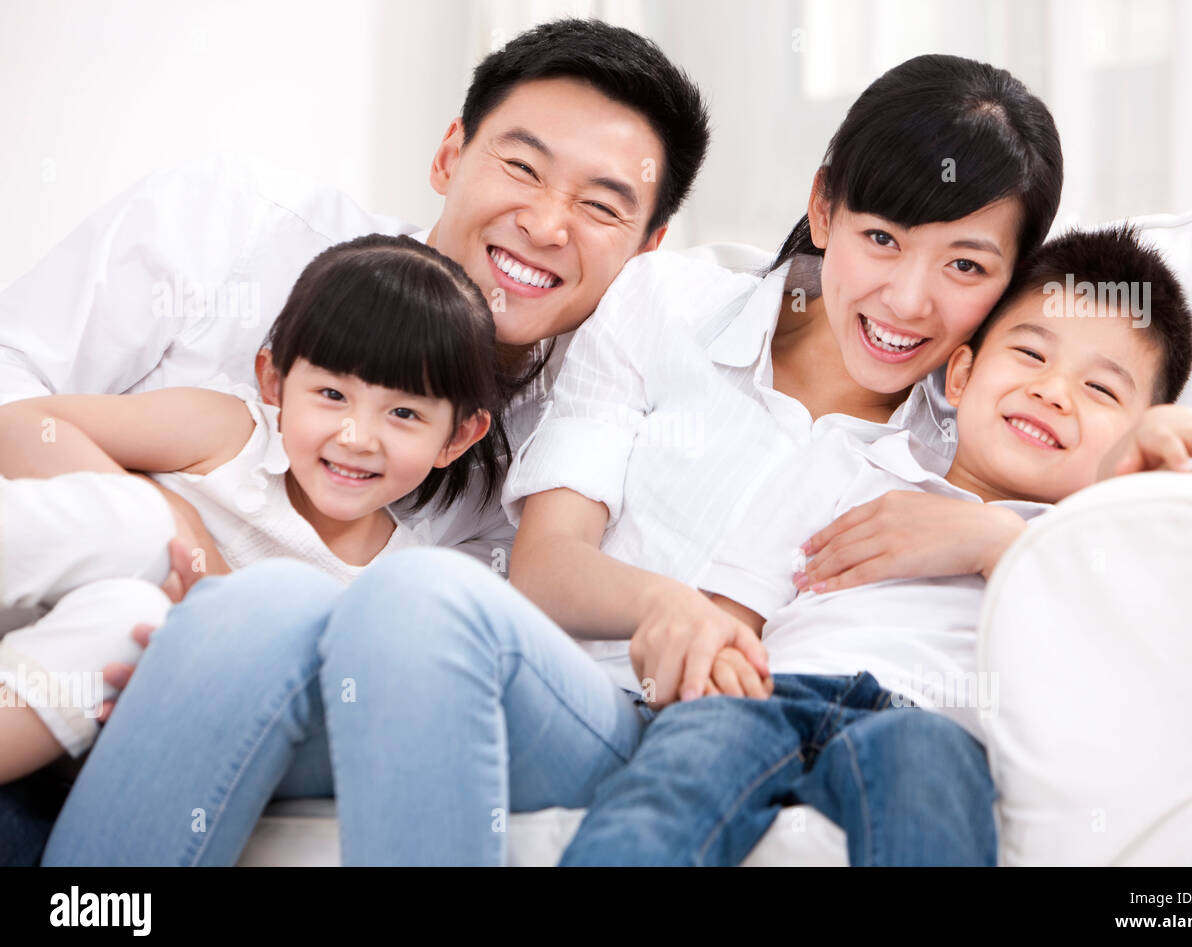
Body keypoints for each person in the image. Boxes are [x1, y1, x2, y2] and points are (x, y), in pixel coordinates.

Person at [43, 54, 1074, 866]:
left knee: (418, 600)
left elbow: (1143, 488)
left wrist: (1008, 525)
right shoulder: (664, 306)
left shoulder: (986, 426)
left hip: (699, 739)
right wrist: (670, 603)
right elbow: (544, 565)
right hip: (572, 692)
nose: (907, 301)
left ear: (1011, 278)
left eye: (967, 267)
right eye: (884, 239)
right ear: (822, 208)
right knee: (243, 611)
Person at [1, 16, 710, 864]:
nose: (548, 224)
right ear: (451, 155)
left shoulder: (582, 435)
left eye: (600, 207)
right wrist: (186, 556)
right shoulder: (231, 226)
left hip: (158, 705)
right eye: (521, 167)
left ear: (647, 251)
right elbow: (16, 398)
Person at [558, 224, 1192, 865]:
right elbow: (728, 618)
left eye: (1101, 390)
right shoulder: (842, 458)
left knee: (923, 783)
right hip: (771, 690)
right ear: (961, 376)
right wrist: (702, 681)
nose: (1051, 391)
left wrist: (1002, 539)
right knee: (677, 772)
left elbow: (1123, 669)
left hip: (929, 721)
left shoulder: (1079, 547)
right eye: (1032, 354)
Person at [0, 235, 506, 784]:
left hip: (84, 683)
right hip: (30, 573)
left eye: (404, 412)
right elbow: (24, 425)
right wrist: (182, 533)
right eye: (332, 395)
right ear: (274, 381)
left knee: (135, 615)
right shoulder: (230, 433)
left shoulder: (390, 587)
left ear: (458, 437)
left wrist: (210, 624)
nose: (358, 437)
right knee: (143, 527)